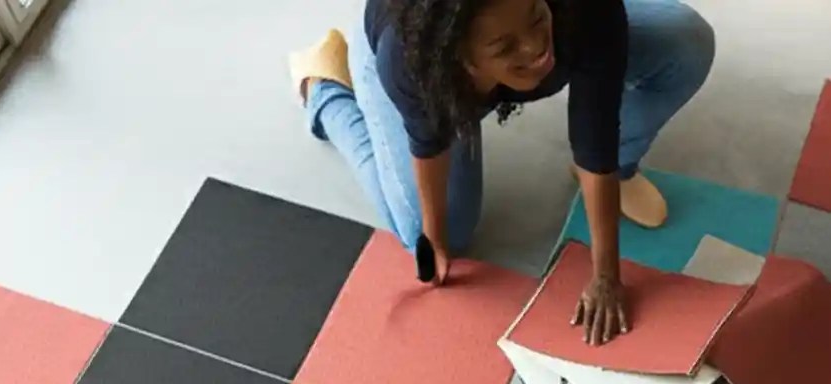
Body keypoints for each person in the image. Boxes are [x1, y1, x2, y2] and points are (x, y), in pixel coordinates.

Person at [290, 0, 715, 345]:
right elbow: (429, 145)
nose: (535, 49)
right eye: (505, 46)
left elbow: (594, 132)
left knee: (686, 43)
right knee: (427, 230)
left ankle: (623, 163)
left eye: (536, 17)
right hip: (403, 51)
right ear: (459, 56)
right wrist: (433, 239)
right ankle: (326, 89)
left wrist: (606, 276)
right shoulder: (412, 59)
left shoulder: (580, 10)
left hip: (492, 56)